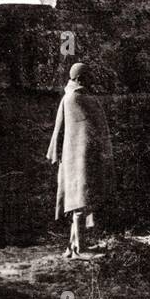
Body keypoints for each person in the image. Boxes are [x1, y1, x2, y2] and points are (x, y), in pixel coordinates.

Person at [46, 62, 115, 257]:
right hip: (79, 157)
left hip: (78, 156)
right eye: (88, 76)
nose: (92, 80)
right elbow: (87, 129)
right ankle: (79, 248)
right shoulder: (76, 99)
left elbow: (60, 130)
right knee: (80, 202)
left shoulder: (71, 98)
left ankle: (72, 245)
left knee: (81, 200)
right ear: (79, 78)